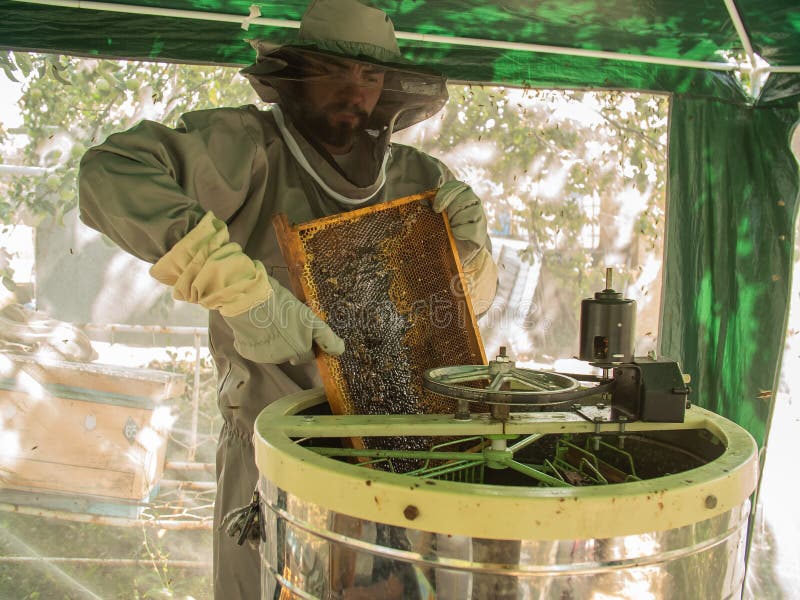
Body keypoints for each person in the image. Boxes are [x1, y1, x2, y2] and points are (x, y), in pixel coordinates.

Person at [78, 0, 497, 597]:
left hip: (408, 459)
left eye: (371, 76)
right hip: (272, 452)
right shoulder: (247, 148)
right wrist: (242, 292)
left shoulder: (421, 179)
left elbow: (461, 313)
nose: (357, 89)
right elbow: (109, 174)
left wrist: (472, 256)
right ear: (297, 73)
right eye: (337, 70)